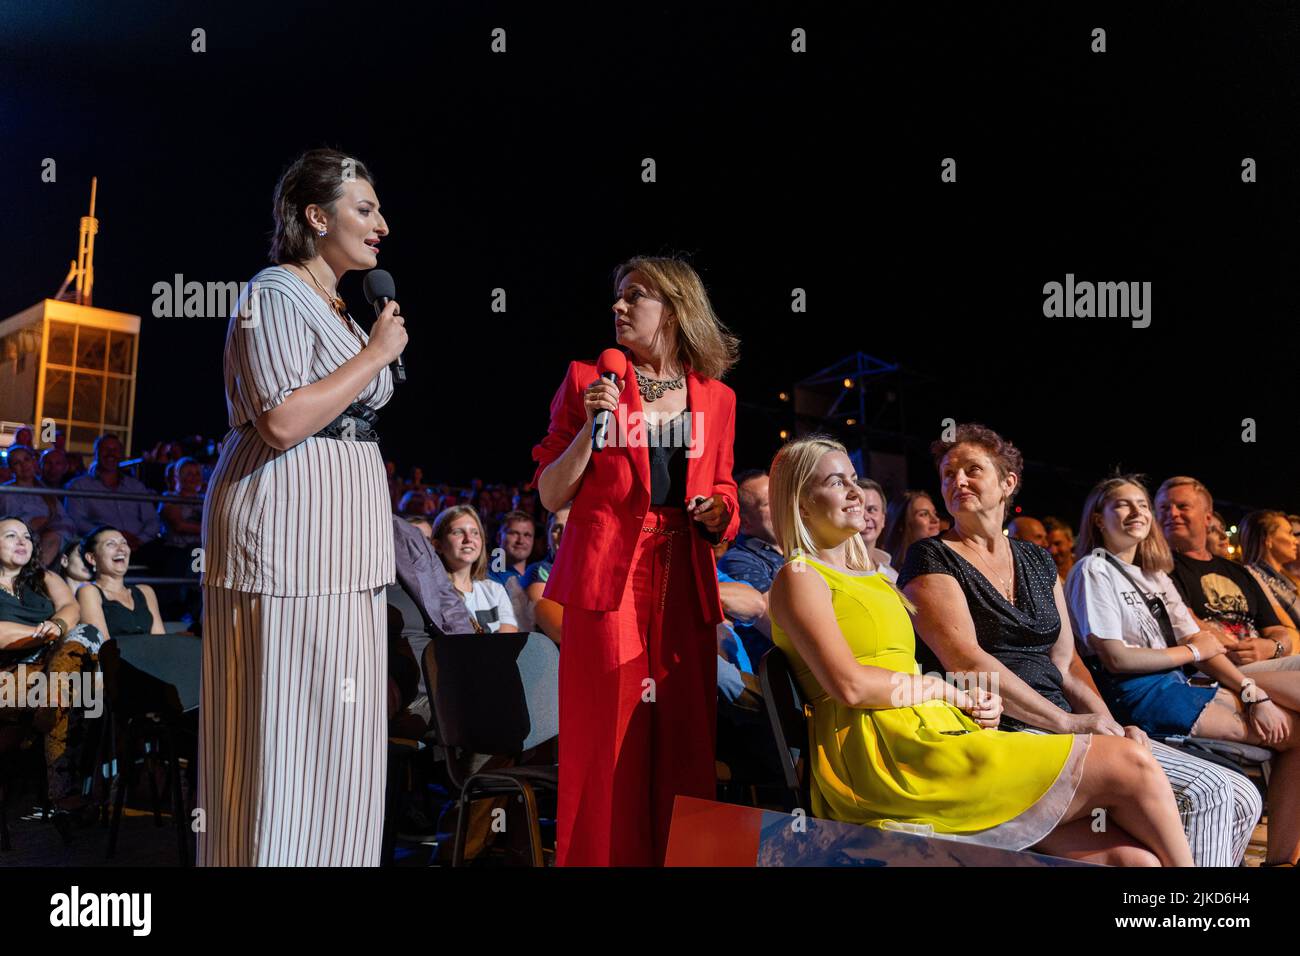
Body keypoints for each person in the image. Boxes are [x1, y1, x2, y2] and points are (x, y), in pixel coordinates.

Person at [768, 437, 1192, 866]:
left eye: (854, 480)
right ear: (802, 503)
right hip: (885, 757)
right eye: (838, 482)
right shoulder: (800, 576)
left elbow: (913, 668)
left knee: (1132, 861)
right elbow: (852, 686)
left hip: (934, 733)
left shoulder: (877, 578)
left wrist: (972, 704)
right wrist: (948, 693)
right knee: (1129, 762)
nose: (857, 492)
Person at [899, 425, 1254, 866]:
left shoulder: (1036, 559)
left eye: (973, 470)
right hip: (999, 725)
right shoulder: (930, 556)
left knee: (1242, 795)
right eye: (948, 474)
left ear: (1008, 483)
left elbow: (1066, 666)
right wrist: (1066, 722)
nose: (958, 482)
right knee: (1210, 794)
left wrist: (1108, 726)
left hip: (1060, 721)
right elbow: (967, 661)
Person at [198, 147, 407, 867]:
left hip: (344, 546)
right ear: (316, 216)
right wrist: (376, 356)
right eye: (365, 208)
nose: (381, 223)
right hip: (287, 537)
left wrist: (369, 348)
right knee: (284, 735)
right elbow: (282, 421)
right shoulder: (273, 293)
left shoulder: (343, 310)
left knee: (340, 737)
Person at [532, 255, 740, 866]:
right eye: (617, 298)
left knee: (685, 738)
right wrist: (590, 426)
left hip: (683, 572)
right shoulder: (584, 381)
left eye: (635, 296)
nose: (618, 308)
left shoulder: (718, 398)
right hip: (610, 577)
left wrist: (717, 512)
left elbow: (725, 488)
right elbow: (550, 491)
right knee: (609, 738)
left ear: (673, 309)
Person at [1067, 475, 1299, 866]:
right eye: (1122, 504)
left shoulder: (1154, 574)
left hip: (1178, 684)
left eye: (1141, 504)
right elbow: (1117, 659)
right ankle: (1280, 861)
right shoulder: (1093, 569)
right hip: (1141, 696)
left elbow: (1205, 646)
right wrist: (1190, 649)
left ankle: (1283, 861)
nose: (1136, 512)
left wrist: (1250, 691)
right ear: (1097, 519)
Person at [0, 516, 102, 831]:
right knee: (79, 691)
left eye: (27, 537)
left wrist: (57, 626)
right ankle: (66, 798)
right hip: (7, 676)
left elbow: (70, 608)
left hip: (50, 669)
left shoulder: (43, 577)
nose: (22, 542)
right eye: (10, 535)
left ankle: (52, 697)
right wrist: (42, 633)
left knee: (84, 632)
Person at [1155, 476, 1300, 674]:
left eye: (1182, 506)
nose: (1172, 513)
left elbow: (1278, 630)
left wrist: (1273, 647)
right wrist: (1241, 650)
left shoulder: (1239, 571)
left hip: (1263, 665)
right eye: (1163, 508)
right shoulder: (1159, 569)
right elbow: (1188, 623)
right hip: (1215, 669)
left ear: (1207, 517)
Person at [716, 469, 782, 664]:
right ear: (745, 523)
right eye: (768, 503)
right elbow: (779, 628)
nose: (781, 504)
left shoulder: (803, 550)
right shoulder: (739, 560)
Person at [64, 435, 161, 556]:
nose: (111, 454)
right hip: (101, 546)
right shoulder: (78, 486)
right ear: (96, 453)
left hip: (139, 546)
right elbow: (77, 521)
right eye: (105, 449)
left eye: (115, 450)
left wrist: (140, 540)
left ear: (121, 455)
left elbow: (152, 520)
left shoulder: (136, 486)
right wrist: (112, 536)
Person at [431, 505, 518, 633]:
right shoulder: (432, 593)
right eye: (458, 532)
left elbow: (509, 643)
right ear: (438, 545)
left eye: (475, 533)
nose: (469, 539)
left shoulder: (495, 590)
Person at [75, 526, 166, 639]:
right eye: (111, 544)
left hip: (150, 655)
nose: (121, 548)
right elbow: (102, 646)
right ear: (92, 558)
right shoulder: (88, 591)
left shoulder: (145, 591)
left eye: (124, 543)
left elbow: (161, 641)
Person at [0, 444, 76, 567]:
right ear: (11, 469)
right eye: (17, 463)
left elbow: (65, 519)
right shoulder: (6, 492)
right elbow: (6, 523)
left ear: (33, 462)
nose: (24, 465)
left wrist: (49, 525)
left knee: (54, 536)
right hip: (21, 538)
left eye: (26, 459)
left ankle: (37, 572)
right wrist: (29, 524)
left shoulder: (46, 491)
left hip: (51, 538)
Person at [1241, 510, 1300, 633]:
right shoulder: (1255, 576)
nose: (1296, 541)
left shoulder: (1285, 580)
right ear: (1268, 539)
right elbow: (1289, 630)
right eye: (1290, 533)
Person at [880, 489, 941, 568]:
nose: (936, 520)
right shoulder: (887, 571)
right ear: (902, 523)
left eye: (934, 513)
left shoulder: (942, 561)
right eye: (924, 514)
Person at [853, 477, 897, 582]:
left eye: (872, 510)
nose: (866, 517)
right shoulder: (834, 569)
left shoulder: (892, 576)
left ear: (883, 519)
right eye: (858, 509)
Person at [488, 510, 535, 589]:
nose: (520, 541)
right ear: (499, 538)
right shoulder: (488, 576)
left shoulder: (537, 576)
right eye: (514, 533)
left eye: (527, 535)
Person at [1043, 516, 1076, 582]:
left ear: (1071, 541)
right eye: (1047, 546)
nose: (1052, 551)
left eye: (1057, 543)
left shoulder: (1086, 566)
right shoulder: (1043, 577)